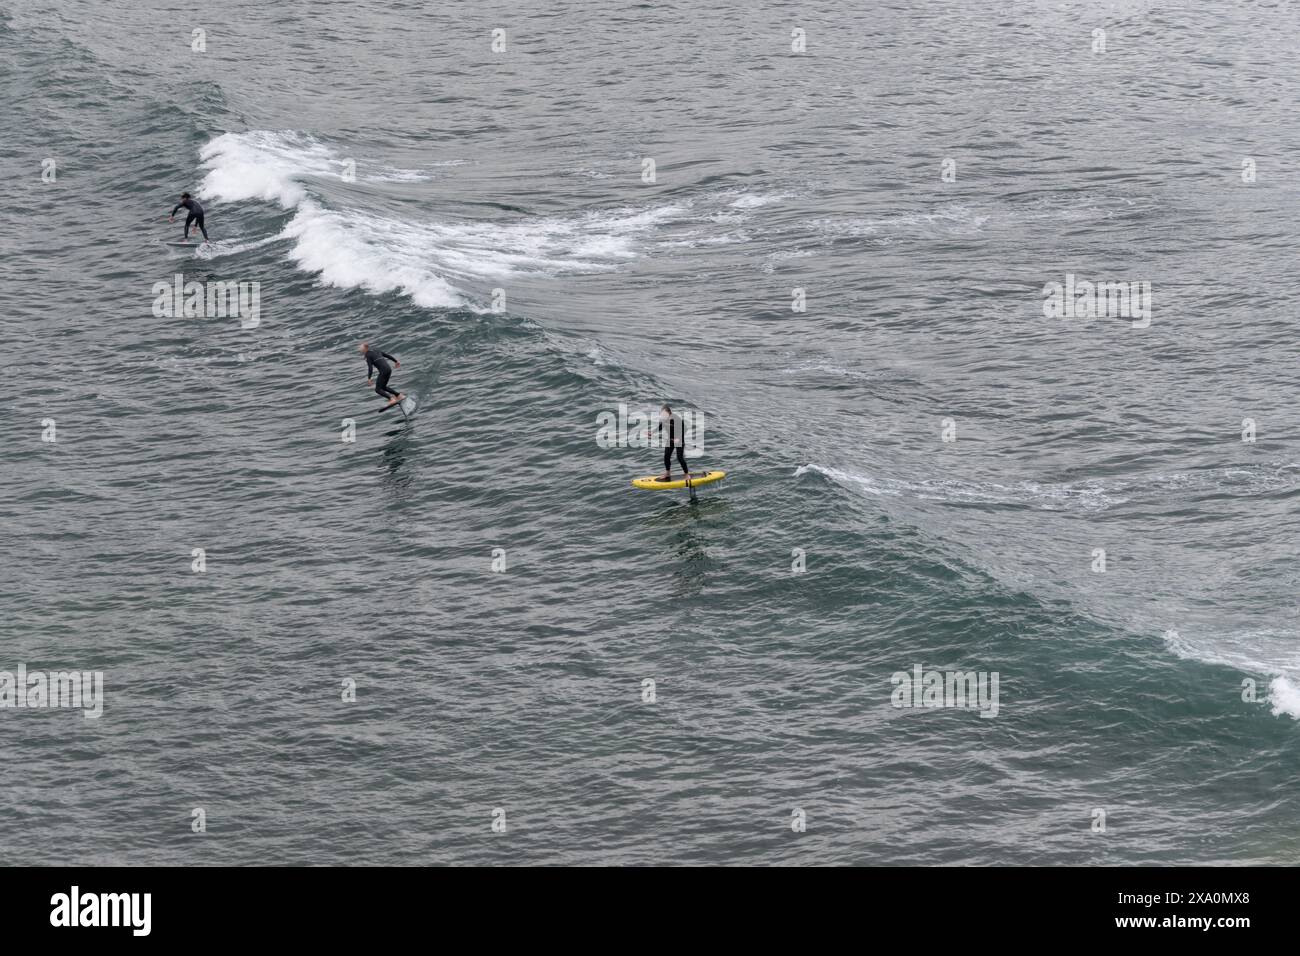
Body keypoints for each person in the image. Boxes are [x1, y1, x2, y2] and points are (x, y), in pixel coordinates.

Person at [360, 343, 405, 407]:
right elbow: (387, 355)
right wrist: (396, 361)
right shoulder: (376, 350)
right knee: (383, 387)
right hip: (388, 369)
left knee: (377, 389)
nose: (359, 349)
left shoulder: (368, 355)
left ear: (365, 348)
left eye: (360, 348)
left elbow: (370, 367)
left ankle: (391, 399)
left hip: (383, 371)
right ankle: (399, 395)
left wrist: (369, 378)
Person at [656, 405, 691, 481]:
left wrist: (678, 438)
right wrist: (651, 432)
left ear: (669, 412)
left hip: (679, 440)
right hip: (670, 440)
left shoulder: (676, 418)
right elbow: (660, 427)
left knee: (680, 457)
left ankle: (686, 474)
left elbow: (685, 429)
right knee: (666, 456)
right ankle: (668, 473)